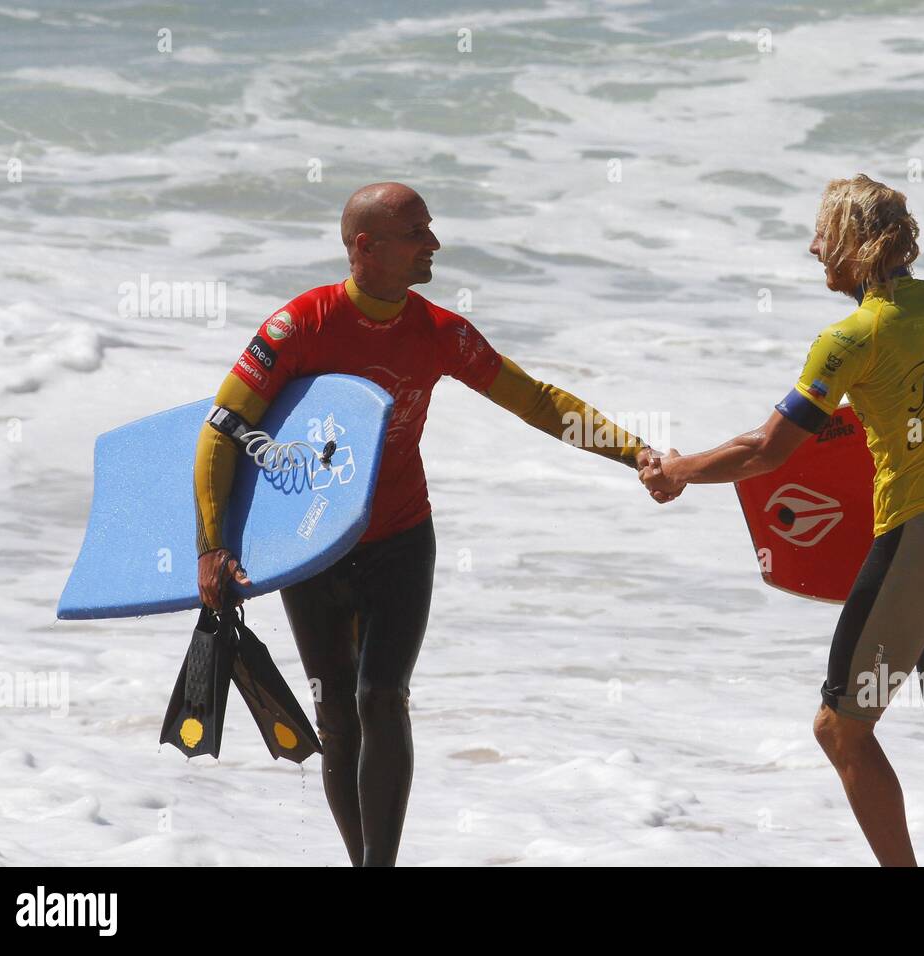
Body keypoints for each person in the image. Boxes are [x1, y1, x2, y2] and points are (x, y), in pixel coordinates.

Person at [193, 182, 657, 866]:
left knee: (382, 696)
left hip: (401, 539)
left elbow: (535, 400)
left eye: (429, 229)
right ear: (365, 248)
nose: (433, 244)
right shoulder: (300, 326)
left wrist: (634, 451)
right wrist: (214, 547)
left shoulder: (438, 332)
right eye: (417, 233)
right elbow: (221, 433)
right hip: (313, 544)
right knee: (336, 712)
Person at [639, 174, 924, 866]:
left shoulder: (852, 336)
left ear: (853, 243)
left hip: (916, 550)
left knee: (841, 730)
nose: (814, 247)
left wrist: (678, 472)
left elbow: (766, 451)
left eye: (823, 234)